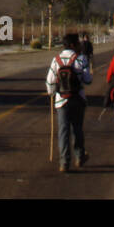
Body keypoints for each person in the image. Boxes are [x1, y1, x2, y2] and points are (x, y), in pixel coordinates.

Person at [46, 32, 93, 172]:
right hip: (78, 99)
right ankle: (79, 156)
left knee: (63, 131)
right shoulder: (81, 59)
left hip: (61, 101)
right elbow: (88, 80)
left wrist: (52, 93)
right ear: (73, 45)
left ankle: (64, 162)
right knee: (77, 129)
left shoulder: (56, 60)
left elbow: (49, 82)